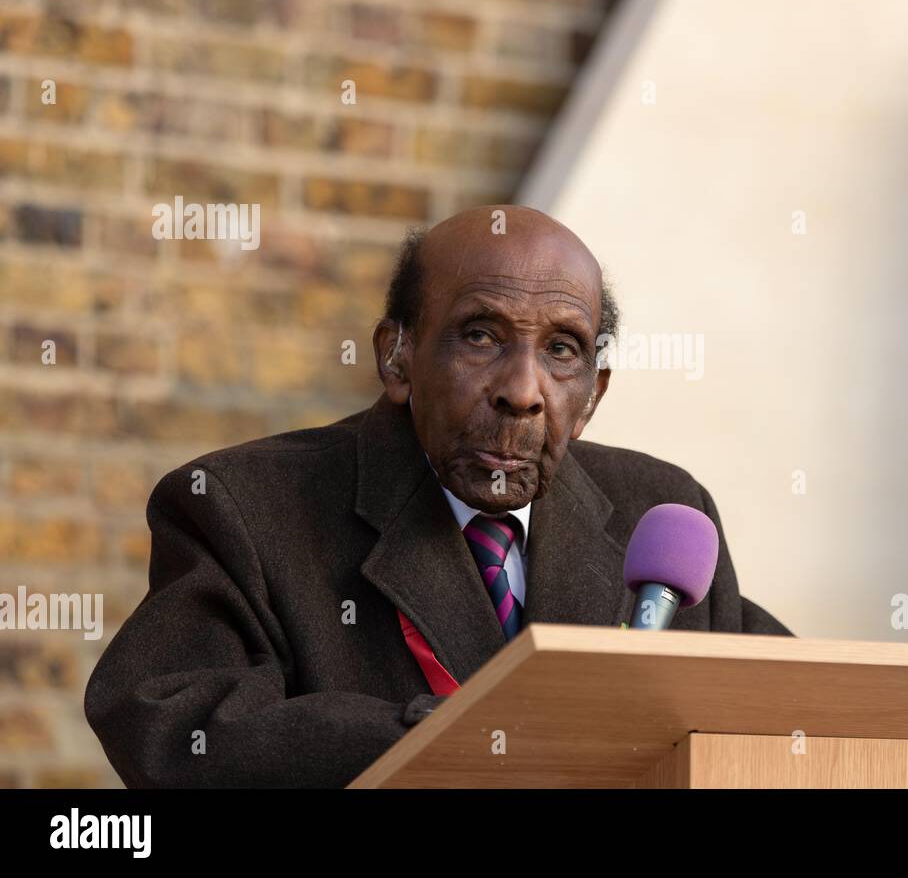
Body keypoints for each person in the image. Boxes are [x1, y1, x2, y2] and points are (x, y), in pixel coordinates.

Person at [84, 205, 791, 788]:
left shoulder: (662, 512)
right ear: (397, 357)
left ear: (592, 397)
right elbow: (171, 728)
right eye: (481, 336)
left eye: (562, 350)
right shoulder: (243, 507)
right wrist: (458, 736)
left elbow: (795, 714)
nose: (522, 391)